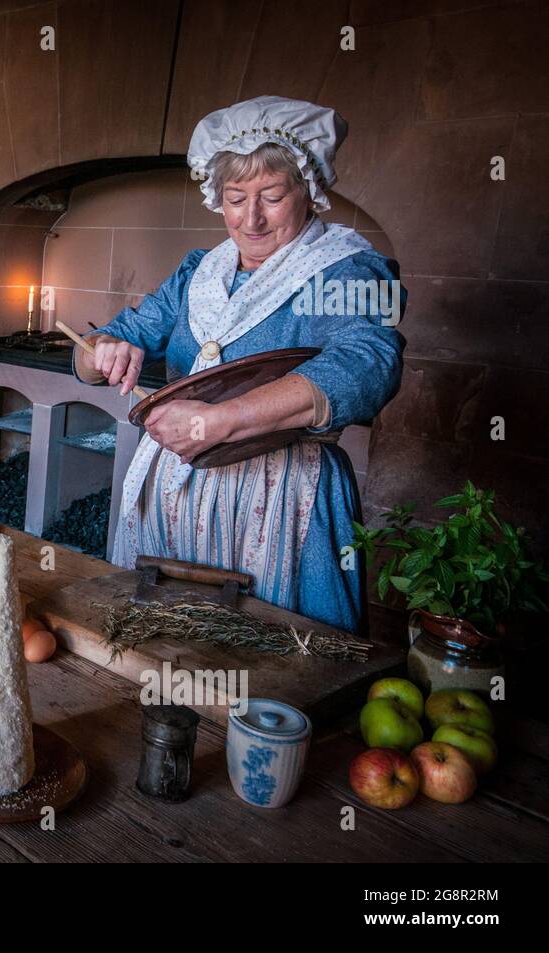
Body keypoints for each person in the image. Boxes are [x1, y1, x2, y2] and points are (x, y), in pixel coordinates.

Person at [73, 96, 405, 633]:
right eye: (235, 198)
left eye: (272, 197)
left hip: (282, 494)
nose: (250, 218)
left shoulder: (347, 271)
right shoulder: (198, 273)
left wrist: (224, 420)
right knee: (166, 647)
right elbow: (93, 351)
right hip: (175, 486)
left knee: (276, 662)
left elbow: (369, 365)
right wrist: (104, 350)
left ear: (310, 193)